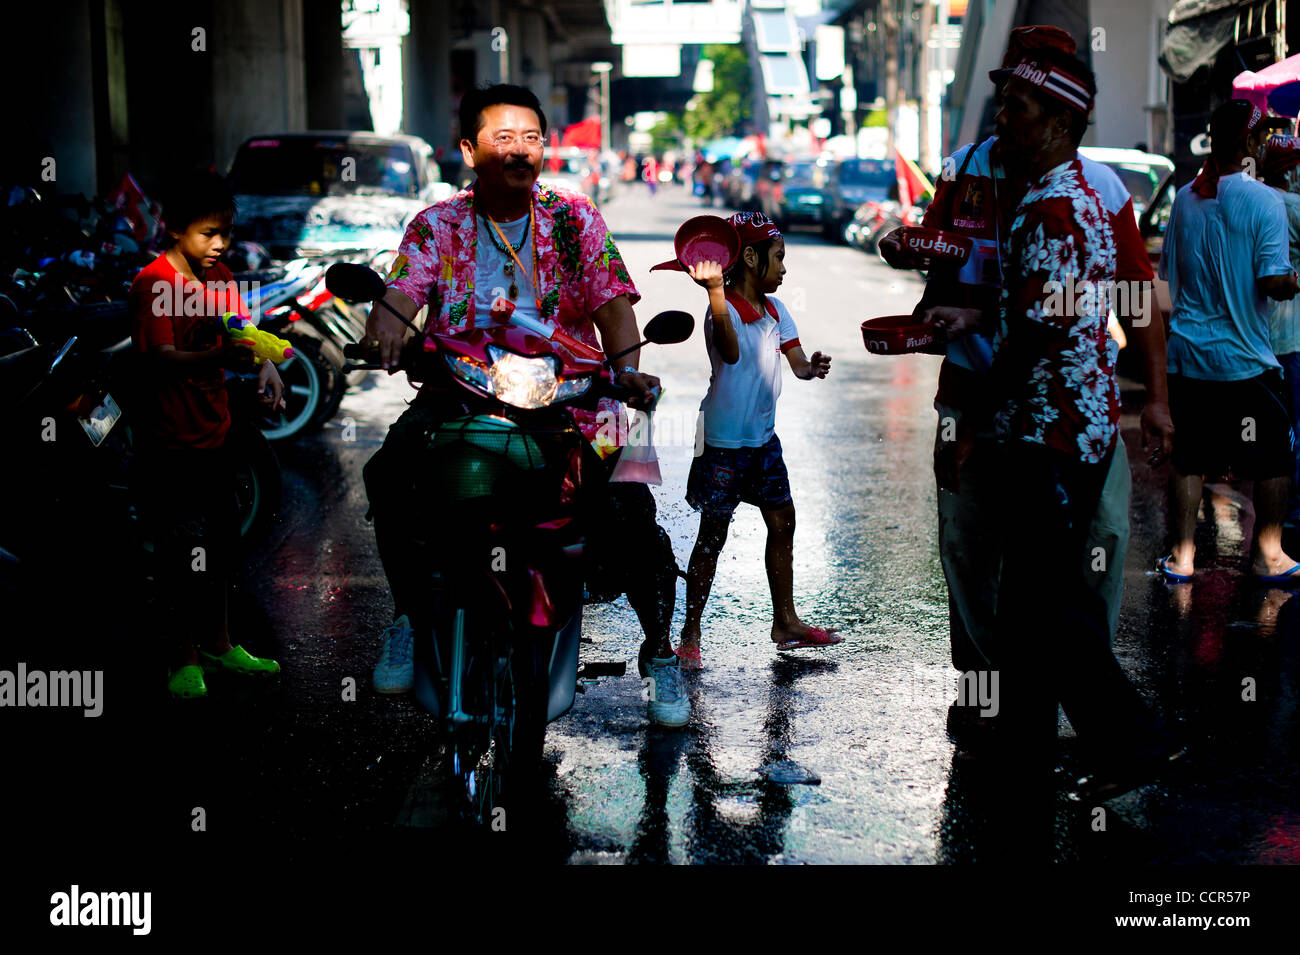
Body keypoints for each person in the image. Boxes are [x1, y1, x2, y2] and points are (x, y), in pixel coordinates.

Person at [361, 85, 689, 727]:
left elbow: (614, 307)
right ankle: (408, 616)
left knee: (629, 507)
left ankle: (660, 652)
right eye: (502, 138)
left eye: (531, 138)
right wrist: (388, 331)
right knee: (391, 475)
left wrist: (628, 373)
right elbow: (398, 295)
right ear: (468, 150)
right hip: (458, 393)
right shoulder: (437, 224)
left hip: (574, 398)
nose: (519, 151)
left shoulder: (575, 217)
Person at [879, 24, 1171, 731]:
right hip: (979, 389)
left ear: (1056, 113)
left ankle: (1064, 715)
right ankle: (995, 699)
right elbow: (944, 269)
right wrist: (921, 276)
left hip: (1051, 409)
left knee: (1082, 557)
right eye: (1003, 94)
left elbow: (1137, 298)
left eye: (1019, 100)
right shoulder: (962, 172)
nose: (1003, 114)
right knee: (970, 546)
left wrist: (1158, 398)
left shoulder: (1094, 190)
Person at [129, 170, 285, 700]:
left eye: (225, 232)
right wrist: (222, 356)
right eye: (207, 233)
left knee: (220, 548)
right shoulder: (155, 283)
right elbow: (159, 359)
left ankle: (219, 646)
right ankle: (184, 657)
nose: (219, 244)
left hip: (217, 433)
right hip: (168, 440)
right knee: (179, 553)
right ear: (173, 229)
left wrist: (268, 367)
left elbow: (244, 328)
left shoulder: (218, 278)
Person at [674, 212, 838, 669]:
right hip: (723, 441)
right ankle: (690, 631)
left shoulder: (777, 310)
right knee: (713, 535)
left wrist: (812, 368)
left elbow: (798, 363)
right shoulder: (718, 309)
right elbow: (729, 351)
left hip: (764, 441)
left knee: (782, 522)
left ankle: (785, 621)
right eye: (778, 258)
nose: (784, 269)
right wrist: (714, 292)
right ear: (748, 257)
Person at [1157, 100, 1300, 583]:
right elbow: (1273, 282)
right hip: (1245, 361)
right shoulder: (1265, 202)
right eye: (1259, 140)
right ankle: (1269, 555)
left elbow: (1169, 279)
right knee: (1274, 459)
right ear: (1247, 144)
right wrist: (1294, 279)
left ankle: (1182, 557)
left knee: (1189, 460)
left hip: (1189, 357)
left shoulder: (1185, 198)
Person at [1262, 134, 1300, 522]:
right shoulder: (1291, 206)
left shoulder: (1258, 202)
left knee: (1279, 429)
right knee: (1297, 430)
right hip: (1292, 340)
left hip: (1264, 339)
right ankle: (1292, 511)